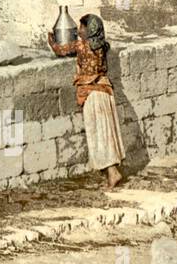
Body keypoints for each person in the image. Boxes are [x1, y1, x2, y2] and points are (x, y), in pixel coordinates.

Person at [48, 13, 125, 190]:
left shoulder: (82, 45)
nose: (79, 30)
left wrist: (51, 40)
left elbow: (61, 50)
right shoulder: (103, 46)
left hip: (93, 94)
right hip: (105, 90)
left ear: (88, 30)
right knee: (108, 130)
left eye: (82, 27)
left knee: (99, 133)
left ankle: (112, 172)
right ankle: (112, 170)